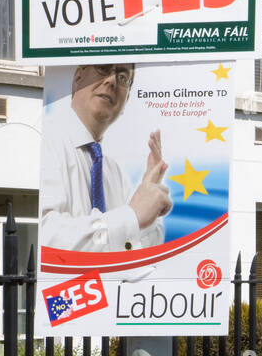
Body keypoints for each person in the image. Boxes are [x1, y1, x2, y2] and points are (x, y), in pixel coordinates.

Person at [40, 63, 171, 252]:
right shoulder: (45, 142)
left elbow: (140, 250)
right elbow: (46, 238)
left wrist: (149, 204)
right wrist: (132, 216)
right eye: (102, 68)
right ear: (78, 77)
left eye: (123, 77)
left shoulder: (114, 172)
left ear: (126, 100)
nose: (111, 81)